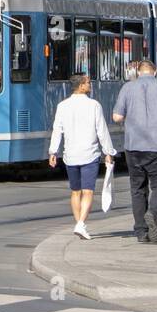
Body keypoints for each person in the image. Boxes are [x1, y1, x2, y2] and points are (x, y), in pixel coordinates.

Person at [112, 59, 157, 243]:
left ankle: (141, 233)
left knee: (137, 189)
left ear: (138, 72)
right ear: (156, 71)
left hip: (133, 147)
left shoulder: (127, 88)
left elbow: (117, 116)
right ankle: (153, 214)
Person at [48, 74, 117, 240]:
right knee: (88, 192)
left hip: (70, 155)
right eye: (87, 83)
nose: (90, 85)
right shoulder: (94, 105)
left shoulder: (62, 106)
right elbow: (102, 130)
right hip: (89, 154)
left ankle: (79, 223)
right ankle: (80, 224)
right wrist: (109, 151)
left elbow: (57, 130)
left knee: (75, 192)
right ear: (80, 86)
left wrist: (53, 152)